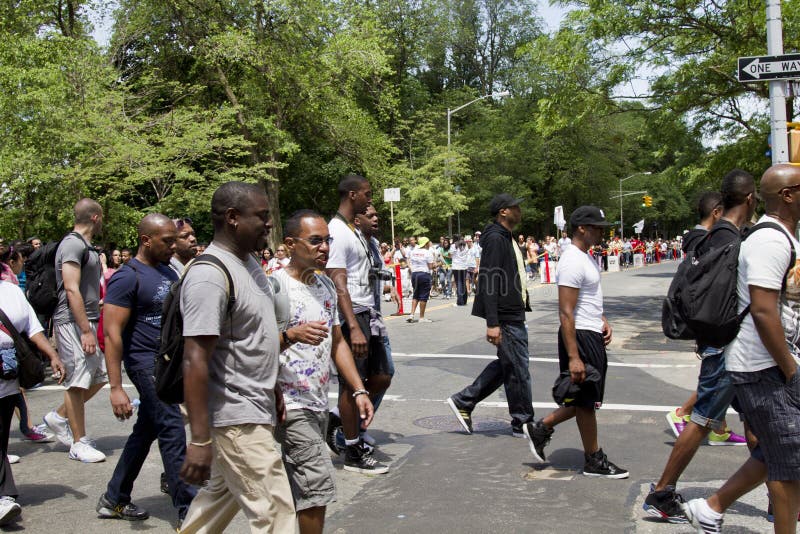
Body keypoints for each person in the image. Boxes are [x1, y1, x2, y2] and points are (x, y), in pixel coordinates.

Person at [682, 164, 800, 533]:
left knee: (776, 452)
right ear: (787, 194)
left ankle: (711, 508)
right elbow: (764, 312)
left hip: (773, 363)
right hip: (764, 367)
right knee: (789, 465)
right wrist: (792, 371)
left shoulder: (786, 237)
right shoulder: (770, 241)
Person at [178, 181, 295, 533]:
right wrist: (199, 440)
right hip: (234, 416)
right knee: (276, 513)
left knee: (214, 506)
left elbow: (252, 340)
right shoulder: (209, 276)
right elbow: (194, 359)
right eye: (261, 216)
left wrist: (271, 387)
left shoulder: (248, 265)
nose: (269, 223)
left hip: (252, 406)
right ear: (232, 217)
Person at [644, 172, 756, 523]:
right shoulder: (733, 241)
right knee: (702, 420)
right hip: (728, 347)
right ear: (751, 199)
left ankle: (782, 491)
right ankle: (661, 492)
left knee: (758, 422)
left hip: (720, 344)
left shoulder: (710, 238)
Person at [275, 210, 374, 533]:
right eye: (315, 241)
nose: (324, 248)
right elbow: (251, 347)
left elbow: (337, 342)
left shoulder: (325, 285)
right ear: (290, 244)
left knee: (295, 491)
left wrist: (358, 389)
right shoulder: (273, 286)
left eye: (327, 241)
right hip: (287, 405)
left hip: (317, 401)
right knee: (316, 487)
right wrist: (291, 335)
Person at [97, 214, 196, 525]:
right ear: (146, 240)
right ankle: (188, 513)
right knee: (171, 428)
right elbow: (113, 333)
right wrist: (116, 388)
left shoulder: (168, 271)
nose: (173, 245)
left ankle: (114, 498)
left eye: (174, 239)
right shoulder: (128, 277)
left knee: (148, 428)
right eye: (167, 241)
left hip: (168, 363)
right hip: (144, 362)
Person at [525, 206, 628, 479]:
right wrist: (574, 356)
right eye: (597, 227)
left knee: (586, 398)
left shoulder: (585, 257)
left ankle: (542, 428)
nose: (602, 231)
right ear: (582, 228)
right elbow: (566, 311)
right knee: (586, 401)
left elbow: (587, 300)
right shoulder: (572, 259)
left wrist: (602, 319)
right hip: (580, 336)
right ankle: (593, 459)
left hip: (590, 332)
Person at [447, 194, 534, 438]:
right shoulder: (496, 238)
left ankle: (464, 401)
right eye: (516, 206)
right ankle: (523, 422)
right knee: (517, 368)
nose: (520, 210)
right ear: (503, 212)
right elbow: (489, 279)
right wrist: (493, 322)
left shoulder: (506, 236)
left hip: (512, 310)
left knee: (510, 365)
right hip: (506, 315)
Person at [325, 174, 390, 475]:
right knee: (352, 385)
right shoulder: (336, 231)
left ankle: (341, 421)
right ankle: (352, 449)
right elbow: (338, 281)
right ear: (352, 195)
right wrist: (352, 325)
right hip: (353, 315)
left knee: (382, 375)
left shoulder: (353, 230)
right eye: (366, 194)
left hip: (368, 312)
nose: (369, 199)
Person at [43, 198, 108, 463]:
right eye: (102, 217)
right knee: (77, 381)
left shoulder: (85, 245)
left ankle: (58, 417)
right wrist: (84, 330)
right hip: (72, 322)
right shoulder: (71, 243)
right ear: (95, 217)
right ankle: (79, 443)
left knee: (100, 377)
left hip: (88, 319)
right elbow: (71, 288)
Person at [0, 281, 65, 525]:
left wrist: (53, 355)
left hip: (7, 380)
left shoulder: (11, 291)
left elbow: (32, 327)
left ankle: (3, 496)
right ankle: (4, 495)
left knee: (1, 437)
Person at [406, 237, 435, 323]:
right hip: (424, 274)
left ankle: (411, 314)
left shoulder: (414, 251)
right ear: (425, 244)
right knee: (423, 296)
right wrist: (436, 265)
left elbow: (410, 262)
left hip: (414, 274)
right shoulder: (428, 252)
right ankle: (421, 317)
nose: (429, 244)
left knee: (416, 294)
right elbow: (430, 267)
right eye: (428, 243)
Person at [450, 236, 470, 306]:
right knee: (463, 283)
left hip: (456, 267)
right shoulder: (465, 245)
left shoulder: (453, 245)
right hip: (464, 266)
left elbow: (450, 255)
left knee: (459, 283)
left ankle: (460, 302)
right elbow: (467, 254)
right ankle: (464, 301)